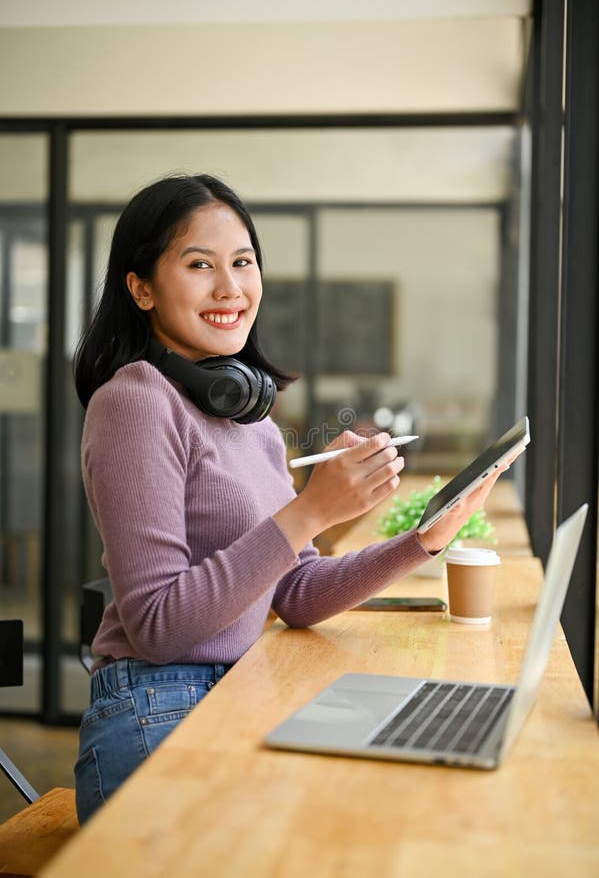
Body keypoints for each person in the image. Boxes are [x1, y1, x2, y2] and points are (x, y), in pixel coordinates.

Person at [73, 173, 506, 824]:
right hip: (154, 703)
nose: (230, 287)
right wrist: (309, 510)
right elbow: (159, 630)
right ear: (140, 288)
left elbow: (295, 592)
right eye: (199, 265)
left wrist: (425, 540)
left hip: (239, 689)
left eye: (243, 263)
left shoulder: (251, 421)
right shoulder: (134, 403)